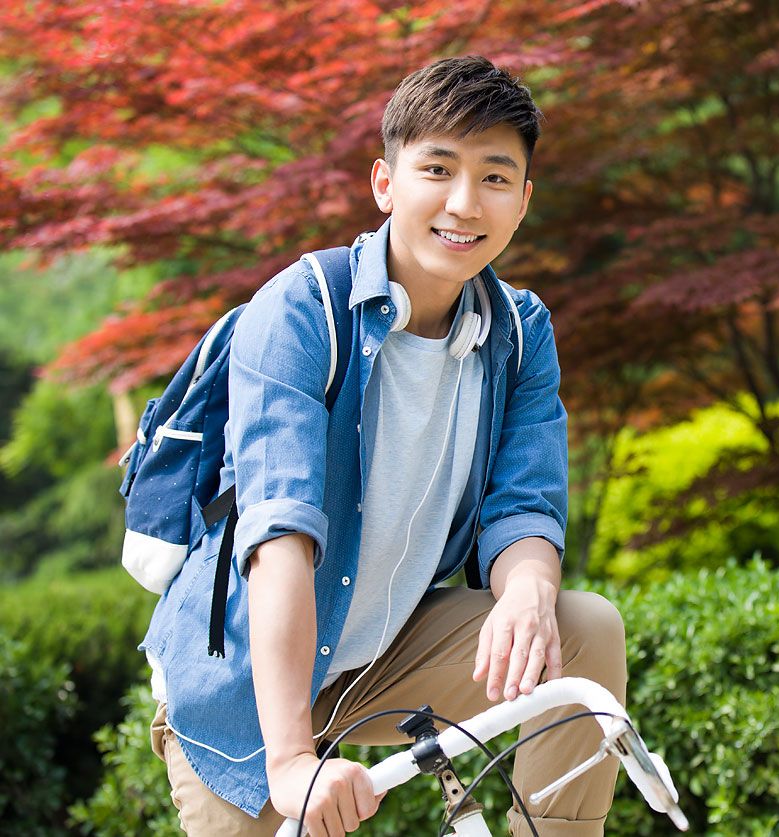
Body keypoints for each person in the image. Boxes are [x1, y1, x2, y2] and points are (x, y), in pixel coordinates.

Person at [140, 55, 628, 837]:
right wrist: (292, 760)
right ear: (384, 182)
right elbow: (280, 538)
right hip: (248, 685)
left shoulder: (519, 331)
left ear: (522, 200)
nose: (464, 202)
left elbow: (523, 506)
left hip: (382, 651)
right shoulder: (300, 311)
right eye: (437, 168)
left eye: (494, 177)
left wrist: (528, 589)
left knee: (584, 627)